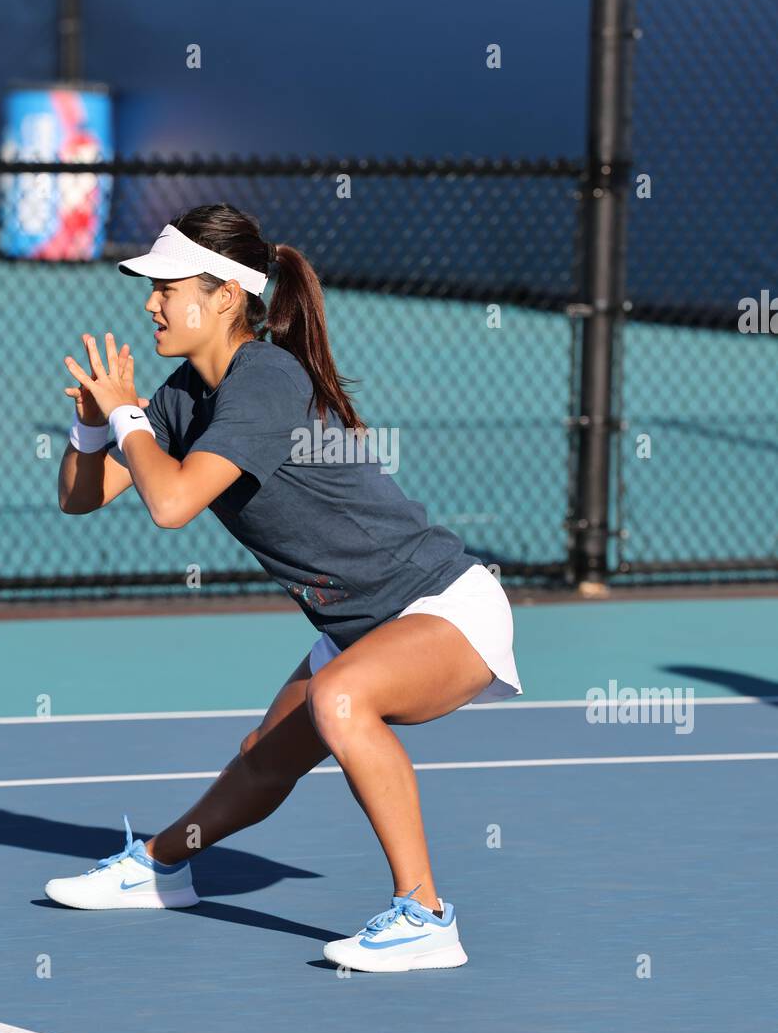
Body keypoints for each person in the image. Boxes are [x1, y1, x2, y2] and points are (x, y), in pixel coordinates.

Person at [47, 204, 522, 973]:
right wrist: (95, 426)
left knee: (339, 699)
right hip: (355, 624)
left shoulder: (265, 379)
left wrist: (129, 414)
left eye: (167, 287)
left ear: (226, 296)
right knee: (263, 757)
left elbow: (170, 504)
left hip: (443, 607)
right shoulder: (182, 397)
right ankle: (162, 867)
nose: (151, 303)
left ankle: (427, 915)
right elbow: (81, 497)